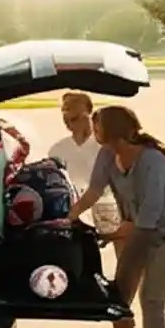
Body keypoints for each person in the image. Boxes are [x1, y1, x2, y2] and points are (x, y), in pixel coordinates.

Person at [66, 105, 165, 328]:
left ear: (113, 130)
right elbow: (94, 191)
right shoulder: (107, 155)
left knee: (151, 300)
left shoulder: (152, 161)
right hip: (136, 228)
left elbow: (148, 219)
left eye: (96, 127)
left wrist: (112, 234)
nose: (92, 132)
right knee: (120, 297)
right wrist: (69, 218)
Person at [49, 92, 119, 234]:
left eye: (78, 118)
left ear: (90, 114)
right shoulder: (58, 150)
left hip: (110, 206)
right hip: (77, 210)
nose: (72, 123)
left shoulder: (106, 146)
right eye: (68, 119)